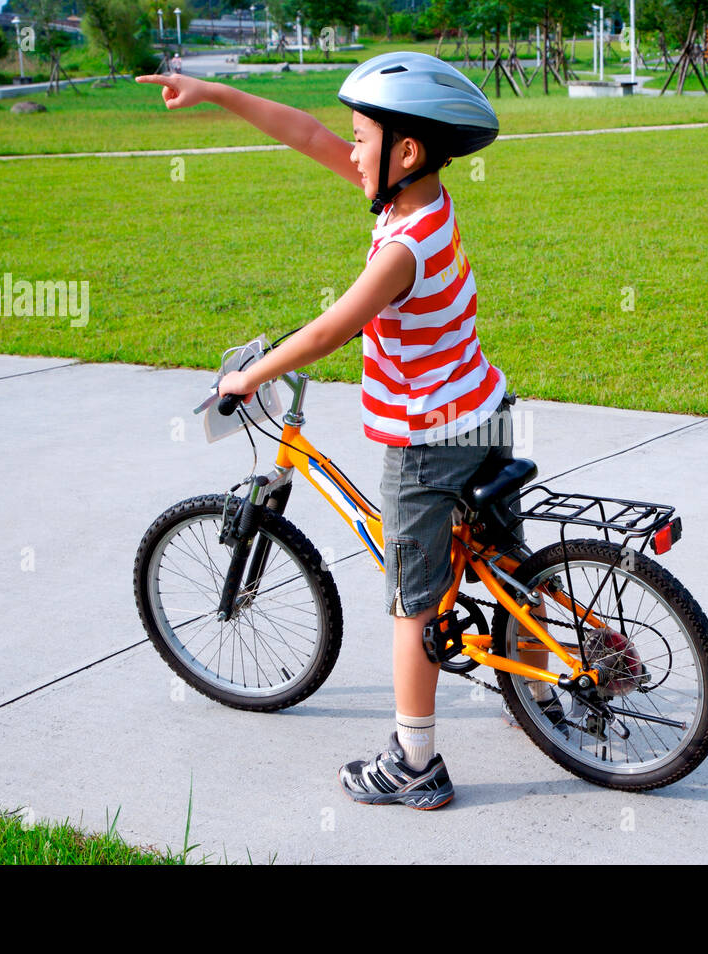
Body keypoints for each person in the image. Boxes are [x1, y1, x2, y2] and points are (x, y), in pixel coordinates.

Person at [136, 53, 536, 810]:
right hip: (485, 409)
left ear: (404, 152)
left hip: (427, 442)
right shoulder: (422, 202)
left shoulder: (399, 250)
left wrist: (248, 377)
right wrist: (214, 91)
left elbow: (329, 330)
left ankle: (414, 761)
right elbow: (303, 134)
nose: (347, 150)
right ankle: (542, 681)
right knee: (501, 561)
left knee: (413, 599)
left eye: (361, 138)